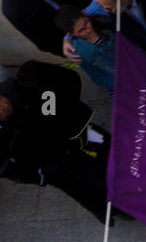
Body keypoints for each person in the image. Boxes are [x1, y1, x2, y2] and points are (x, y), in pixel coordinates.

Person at [0, 60, 116, 223]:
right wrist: (41, 175)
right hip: (58, 161)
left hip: (77, 133)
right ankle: (121, 206)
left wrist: (55, 116)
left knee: (114, 153)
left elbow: (67, 82)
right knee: (95, 187)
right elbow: (6, 167)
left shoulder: (29, 79)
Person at [52, 5, 116, 94]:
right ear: (72, 34)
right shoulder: (78, 53)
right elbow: (99, 78)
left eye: (86, 23)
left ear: (85, 15)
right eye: (81, 30)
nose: (88, 30)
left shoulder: (104, 23)